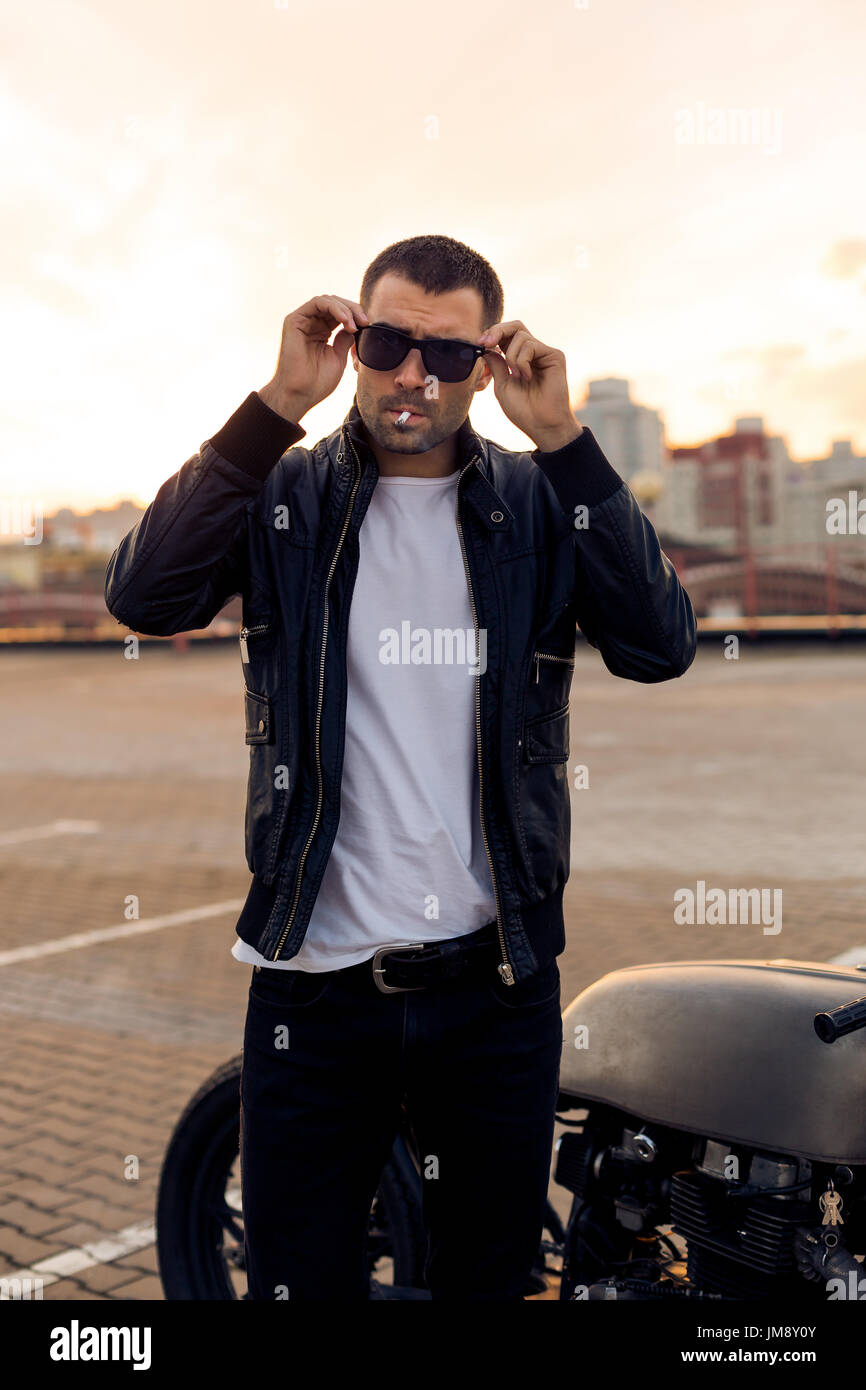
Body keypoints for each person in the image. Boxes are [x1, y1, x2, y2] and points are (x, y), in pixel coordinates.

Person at [104, 233, 697, 1301]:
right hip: (313, 990)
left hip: (494, 989)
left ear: (488, 363)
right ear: (351, 341)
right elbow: (146, 596)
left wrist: (564, 439)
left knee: (488, 1284)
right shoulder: (287, 500)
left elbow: (657, 645)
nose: (414, 375)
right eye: (387, 342)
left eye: (448, 354)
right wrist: (275, 402)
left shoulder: (531, 505)